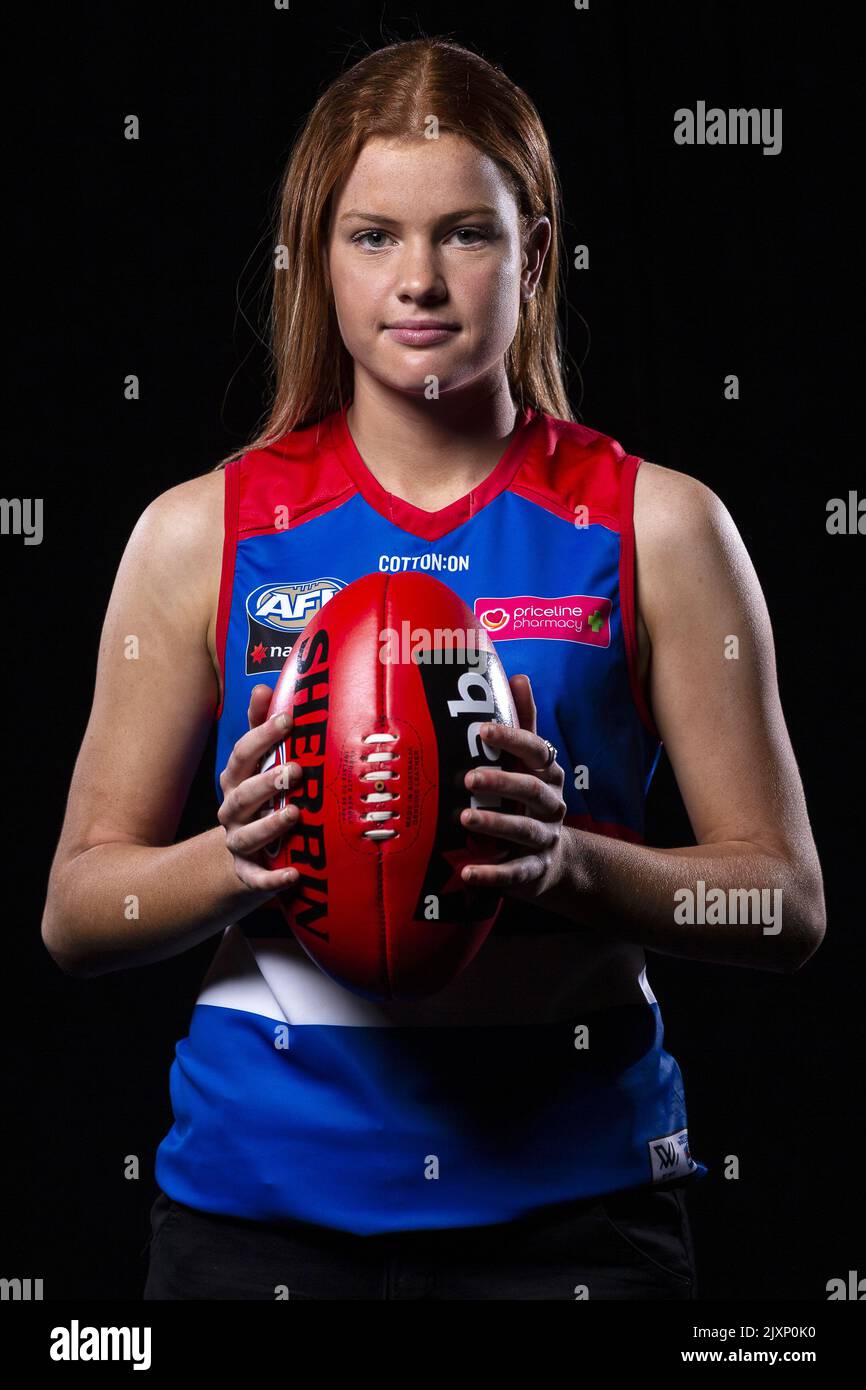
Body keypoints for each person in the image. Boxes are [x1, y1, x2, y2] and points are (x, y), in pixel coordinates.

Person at [41, 37, 825, 1301]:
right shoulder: (204, 531)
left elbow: (783, 906)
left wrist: (564, 860)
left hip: (577, 1216)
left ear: (536, 247)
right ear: (315, 252)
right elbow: (77, 913)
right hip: (258, 1220)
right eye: (370, 237)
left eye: (465, 232)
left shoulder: (656, 524)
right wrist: (244, 855)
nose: (418, 281)